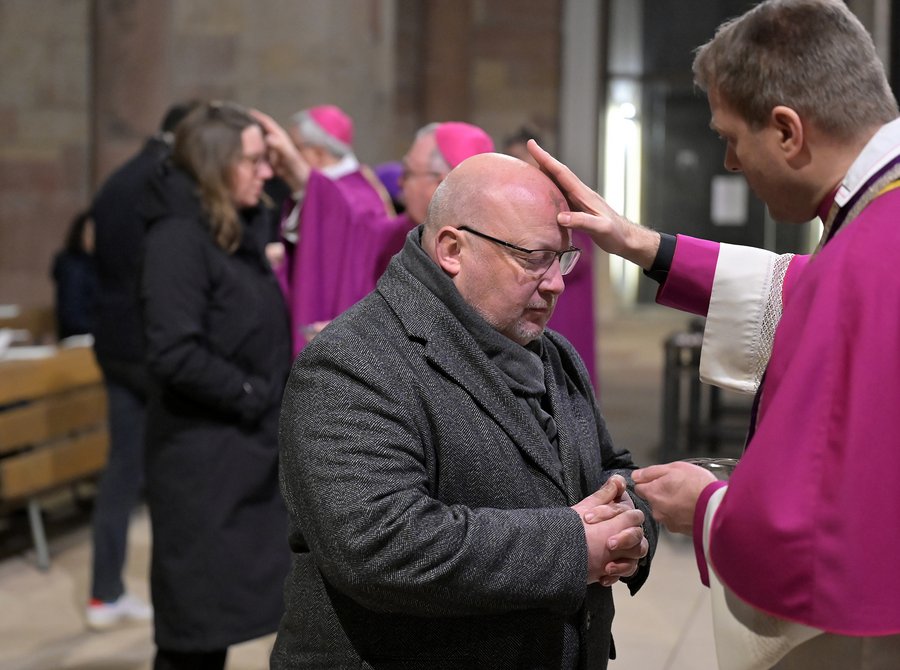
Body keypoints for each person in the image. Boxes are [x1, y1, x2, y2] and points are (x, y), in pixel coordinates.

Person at [530, 1, 900, 666]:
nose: (729, 163)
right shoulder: (878, 217)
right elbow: (803, 287)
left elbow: (819, 526)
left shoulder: (878, 247)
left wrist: (707, 507)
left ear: (787, 131)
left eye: (731, 138)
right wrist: (638, 243)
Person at [271, 152, 657, 669]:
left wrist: (634, 528)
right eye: (533, 258)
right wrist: (574, 547)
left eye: (562, 259)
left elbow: (612, 468)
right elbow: (380, 546)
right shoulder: (353, 363)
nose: (556, 283)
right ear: (453, 249)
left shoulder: (553, 353)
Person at [139, 101, 292, 670]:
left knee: (230, 620)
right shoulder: (177, 239)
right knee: (195, 637)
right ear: (215, 165)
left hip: (242, 457)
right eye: (253, 161)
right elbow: (173, 351)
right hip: (202, 466)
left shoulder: (234, 232)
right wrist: (253, 395)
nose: (265, 172)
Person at [85, 102, 193, 630]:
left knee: (122, 470)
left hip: (112, 341)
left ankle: (104, 594)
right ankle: (178, 599)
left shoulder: (116, 180)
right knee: (173, 470)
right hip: (154, 344)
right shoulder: (167, 181)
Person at [255, 112, 495, 350]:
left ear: (439, 181)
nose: (399, 183)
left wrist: (356, 336)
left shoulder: (488, 255)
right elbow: (349, 230)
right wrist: (301, 179)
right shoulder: (398, 231)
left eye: (408, 173)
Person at [50, 209, 98, 340]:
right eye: (91, 233)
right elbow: (73, 317)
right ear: (80, 234)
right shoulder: (73, 268)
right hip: (78, 340)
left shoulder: (95, 264)